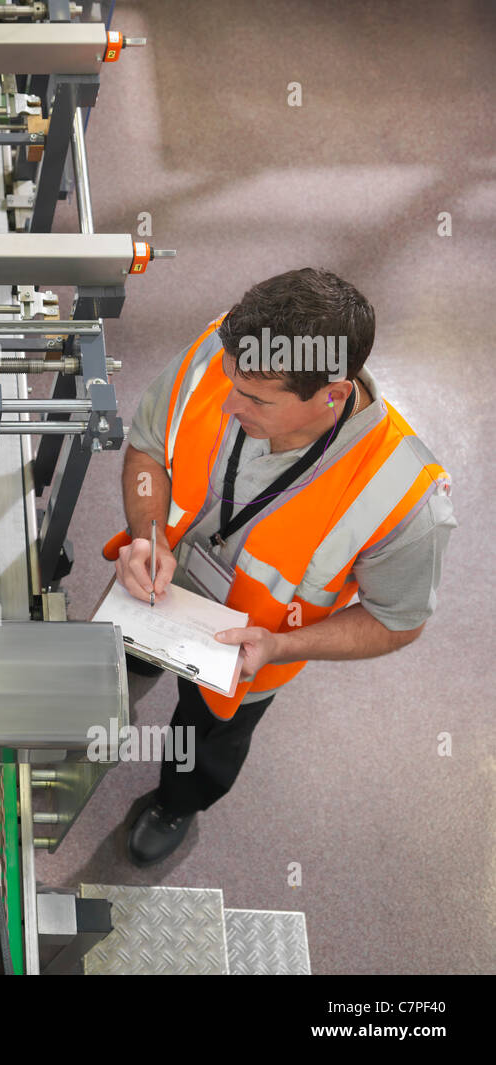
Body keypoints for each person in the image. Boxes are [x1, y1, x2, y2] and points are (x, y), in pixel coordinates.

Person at [105, 268, 455, 866]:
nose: (230, 401)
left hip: (247, 651)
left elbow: (398, 621)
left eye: (257, 400)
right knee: (123, 656)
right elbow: (145, 446)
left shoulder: (404, 498)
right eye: (233, 383)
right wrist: (148, 534)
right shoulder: (225, 354)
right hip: (158, 583)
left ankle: (176, 801)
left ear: (333, 396)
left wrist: (283, 647)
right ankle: (134, 668)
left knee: (207, 734)